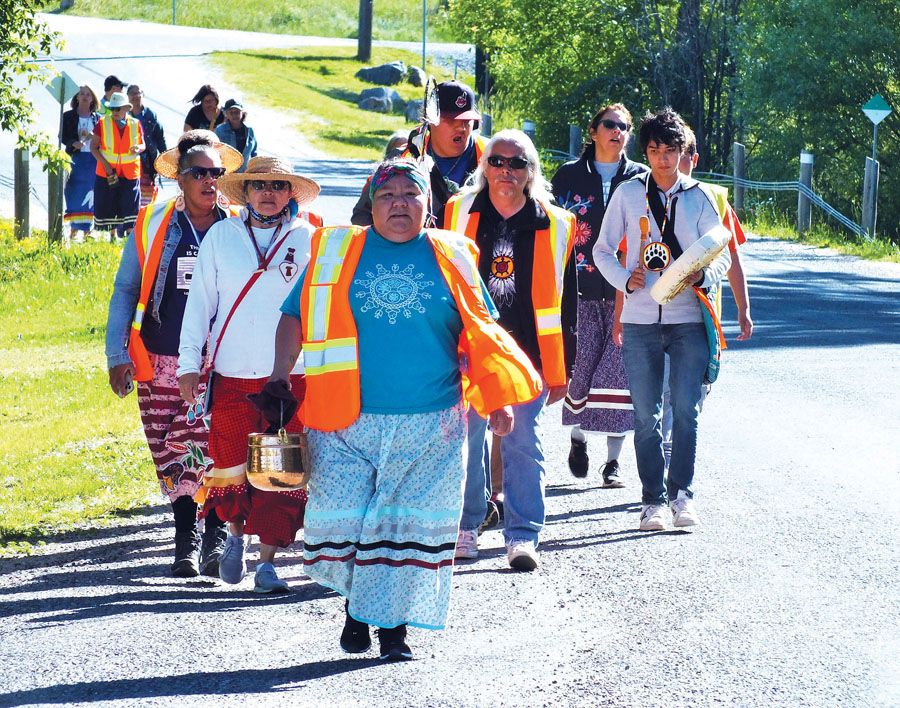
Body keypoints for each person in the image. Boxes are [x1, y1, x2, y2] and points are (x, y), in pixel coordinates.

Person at [268, 158, 542, 660]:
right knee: (348, 525)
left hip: (431, 423)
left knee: (404, 529)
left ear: (428, 205)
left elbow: (482, 335)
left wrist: (498, 399)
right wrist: (281, 373)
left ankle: (392, 631)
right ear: (371, 203)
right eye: (387, 194)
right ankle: (357, 605)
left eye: (410, 194)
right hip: (343, 420)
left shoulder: (453, 256)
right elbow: (293, 316)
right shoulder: (334, 250)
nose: (399, 202)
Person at [177, 156, 321, 593]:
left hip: (289, 377)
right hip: (232, 374)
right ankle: (235, 537)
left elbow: (319, 307)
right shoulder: (222, 236)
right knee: (231, 468)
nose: (269, 193)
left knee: (279, 472)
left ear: (290, 193)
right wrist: (188, 364)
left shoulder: (309, 238)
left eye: (278, 185)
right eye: (260, 185)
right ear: (246, 192)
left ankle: (268, 562)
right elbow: (199, 304)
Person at [106, 130, 244, 577]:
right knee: (168, 453)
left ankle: (213, 536)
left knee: (212, 448)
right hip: (158, 359)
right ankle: (185, 535)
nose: (209, 181)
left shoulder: (238, 226)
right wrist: (115, 355)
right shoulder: (153, 223)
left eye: (216, 173)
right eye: (199, 173)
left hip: (218, 361)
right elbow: (127, 288)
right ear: (180, 178)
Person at [440, 129, 577, 570]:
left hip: (528, 355)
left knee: (522, 442)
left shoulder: (557, 223)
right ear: (484, 168)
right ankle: (465, 525)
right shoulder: (457, 211)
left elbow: (567, 297)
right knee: (467, 439)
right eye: (496, 162)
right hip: (471, 350)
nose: (505, 171)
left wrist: (564, 366)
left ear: (531, 173)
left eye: (517, 164)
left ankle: (522, 536)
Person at [592, 108, 731, 531]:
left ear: (682, 151)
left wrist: (702, 274)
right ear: (646, 151)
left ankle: (682, 495)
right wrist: (625, 279)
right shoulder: (628, 193)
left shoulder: (700, 197)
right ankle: (651, 500)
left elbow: (722, 252)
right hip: (639, 321)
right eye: (654, 150)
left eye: (671, 150)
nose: (663, 159)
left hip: (688, 318)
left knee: (686, 411)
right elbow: (600, 250)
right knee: (645, 416)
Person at [551, 103, 648, 487]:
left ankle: (613, 463)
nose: (617, 132)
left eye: (624, 127)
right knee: (581, 370)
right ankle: (577, 437)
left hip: (629, 289)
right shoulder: (568, 176)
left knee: (619, 374)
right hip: (577, 289)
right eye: (610, 125)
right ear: (593, 131)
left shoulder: (640, 178)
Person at [659, 124, 753, 469]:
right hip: (657, 314)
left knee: (693, 393)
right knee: (665, 392)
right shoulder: (644, 193)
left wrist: (744, 308)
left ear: (692, 159)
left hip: (703, 314)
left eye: (679, 157)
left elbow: (732, 259)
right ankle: (666, 463)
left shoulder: (713, 199)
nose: (671, 165)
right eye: (664, 154)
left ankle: (673, 458)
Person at [351, 80, 487, 226]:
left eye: (467, 121)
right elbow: (362, 217)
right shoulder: (401, 159)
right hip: (419, 249)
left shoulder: (494, 158)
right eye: (450, 120)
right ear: (430, 120)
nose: (461, 128)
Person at [90, 91, 145, 239]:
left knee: (130, 205)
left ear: (127, 108)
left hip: (129, 172)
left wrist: (139, 148)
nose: (114, 112)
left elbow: (142, 144)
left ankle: (128, 238)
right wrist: (107, 166)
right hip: (107, 172)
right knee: (109, 203)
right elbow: (93, 147)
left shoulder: (135, 124)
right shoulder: (102, 123)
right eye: (112, 108)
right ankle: (112, 237)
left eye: (118, 108)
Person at [60, 85, 101, 242]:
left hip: (92, 161)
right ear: (76, 97)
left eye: (88, 94)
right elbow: (62, 136)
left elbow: (103, 139)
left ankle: (87, 231)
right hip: (74, 160)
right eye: (81, 94)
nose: (84, 96)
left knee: (90, 195)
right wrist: (73, 143)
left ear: (92, 98)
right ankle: (73, 229)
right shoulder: (68, 116)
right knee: (73, 193)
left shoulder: (97, 119)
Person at [127, 84, 167, 207]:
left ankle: (142, 224)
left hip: (148, 166)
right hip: (128, 164)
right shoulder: (123, 117)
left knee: (145, 203)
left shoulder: (151, 117)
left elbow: (160, 141)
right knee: (129, 199)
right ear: (127, 97)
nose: (135, 96)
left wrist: (165, 161)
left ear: (142, 95)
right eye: (132, 93)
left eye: (137, 93)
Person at [215, 98, 257, 172]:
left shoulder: (249, 130)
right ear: (226, 114)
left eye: (237, 112)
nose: (234, 115)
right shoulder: (220, 130)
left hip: (245, 172)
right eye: (231, 112)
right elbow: (215, 151)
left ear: (242, 113)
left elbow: (254, 153)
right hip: (226, 172)